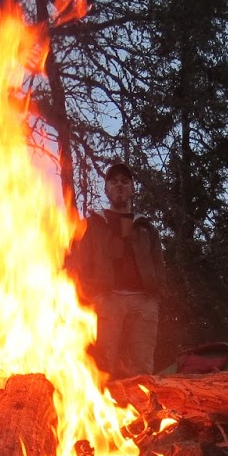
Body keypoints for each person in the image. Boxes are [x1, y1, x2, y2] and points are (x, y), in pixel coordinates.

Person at [74, 160, 163, 378]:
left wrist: (156, 296)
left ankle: (142, 411)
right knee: (103, 368)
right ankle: (99, 411)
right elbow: (78, 262)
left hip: (144, 303)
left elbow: (159, 262)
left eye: (125, 181)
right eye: (113, 182)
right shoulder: (94, 224)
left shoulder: (145, 226)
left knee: (141, 370)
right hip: (107, 301)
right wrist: (90, 295)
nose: (119, 186)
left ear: (132, 188)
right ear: (106, 189)